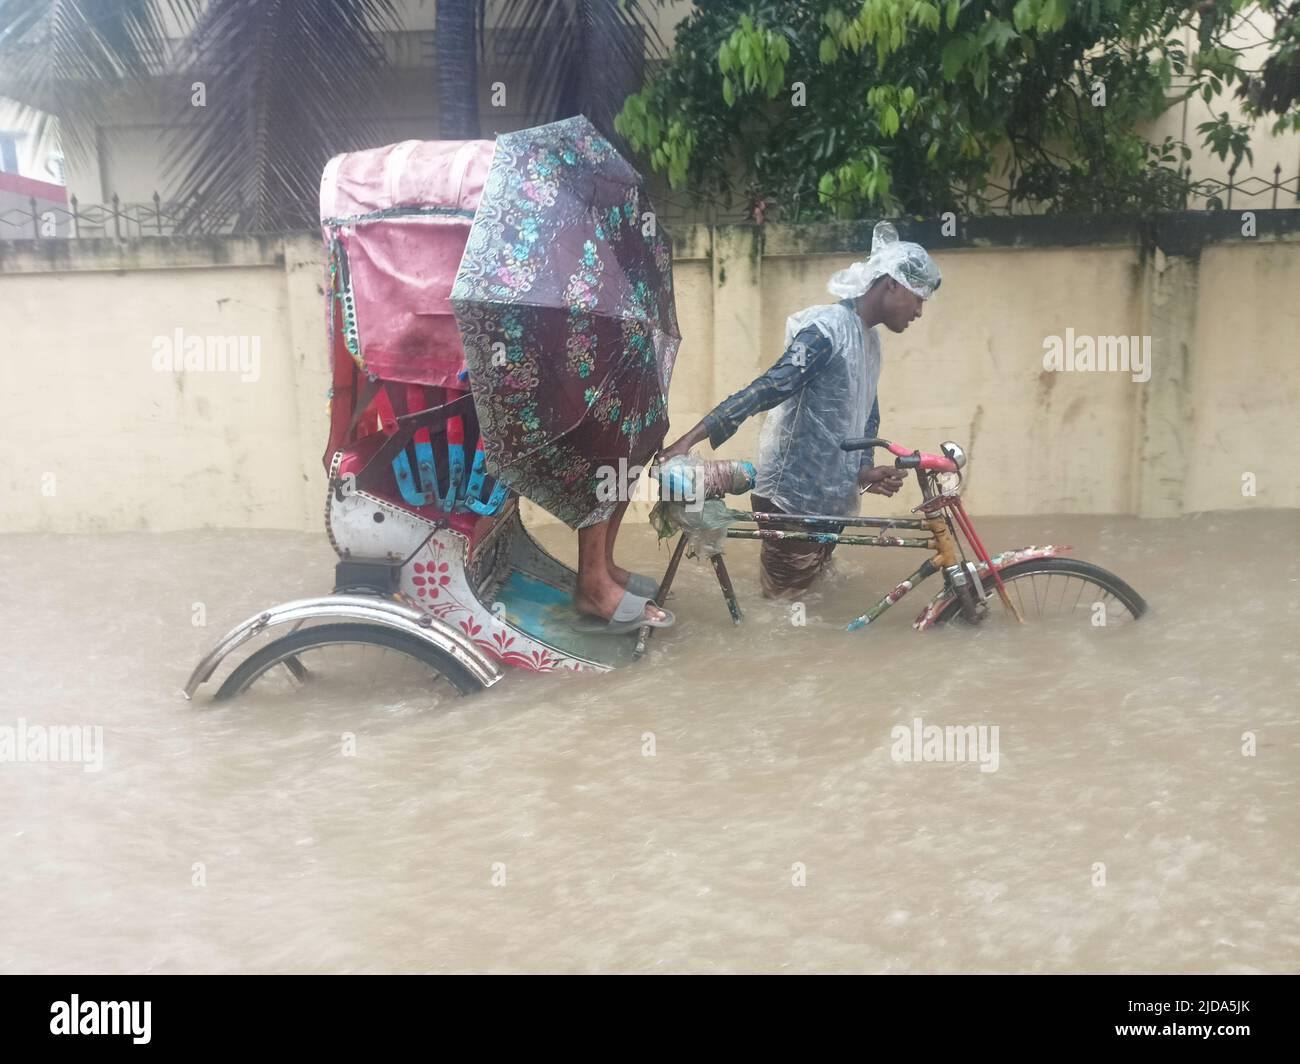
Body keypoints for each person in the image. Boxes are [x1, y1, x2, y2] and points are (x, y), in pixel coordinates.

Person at [655, 222, 941, 598]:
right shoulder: (825, 331)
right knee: (783, 612)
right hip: (792, 499)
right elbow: (771, 386)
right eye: (918, 297)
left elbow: (866, 417)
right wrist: (689, 439)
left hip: (831, 499)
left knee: (812, 601)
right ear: (891, 283)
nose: (919, 311)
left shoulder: (870, 344)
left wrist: (865, 472)